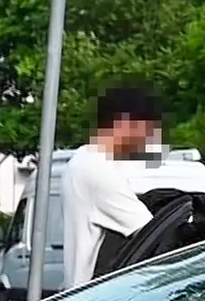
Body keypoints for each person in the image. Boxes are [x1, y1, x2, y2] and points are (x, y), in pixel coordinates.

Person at [63, 85, 159, 290]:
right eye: (148, 128)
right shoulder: (98, 171)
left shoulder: (80, 161)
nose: (148, 137)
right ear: (125, 122)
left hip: (81, 298)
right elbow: (154, 234)